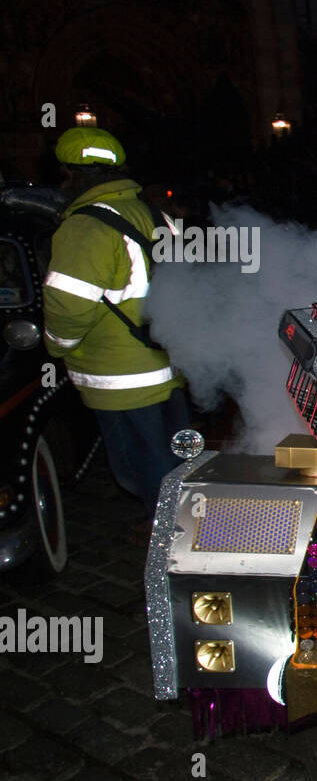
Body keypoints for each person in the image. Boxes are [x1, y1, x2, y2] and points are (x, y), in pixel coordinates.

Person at [42, 127, 189, 518]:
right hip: (166, 367)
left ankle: (168, 553)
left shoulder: (84, 227)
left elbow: (67, 306)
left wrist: (57, 346)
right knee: (177, 469)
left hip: (120, 380)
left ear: (74, 175)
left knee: (139, 473)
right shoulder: (153, 213)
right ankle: (186, 532)